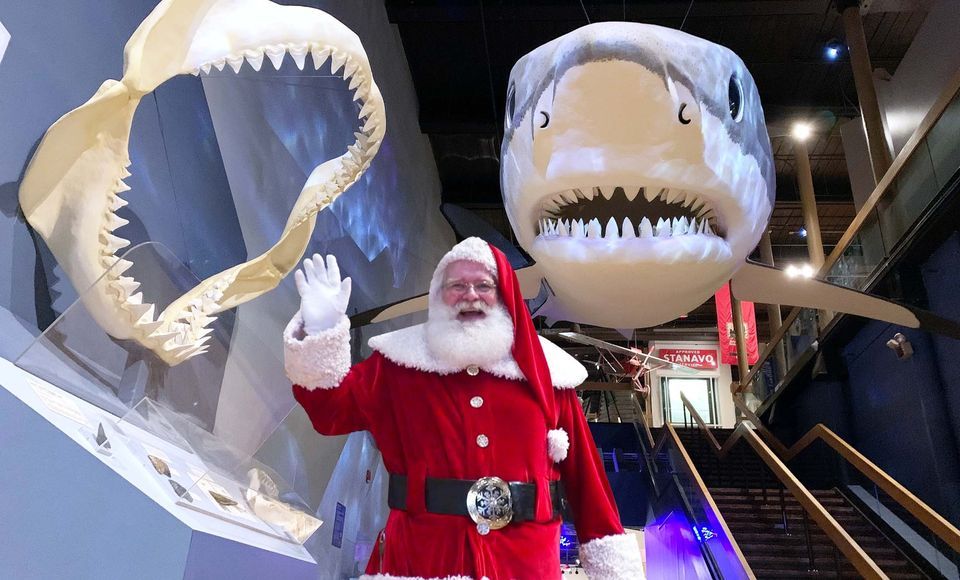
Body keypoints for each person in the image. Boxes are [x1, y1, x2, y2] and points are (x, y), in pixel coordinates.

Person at [283, 237, 644, 579]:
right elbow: (330, 412)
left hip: (525, 565)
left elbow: (587, 480)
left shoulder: (550, 373)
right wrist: (321, 332)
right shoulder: (395, 365)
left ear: (504, 295)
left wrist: (613, 565)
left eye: (484, 285)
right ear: (438, 295)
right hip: (423, 561)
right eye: (457, 285)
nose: (470, 295)